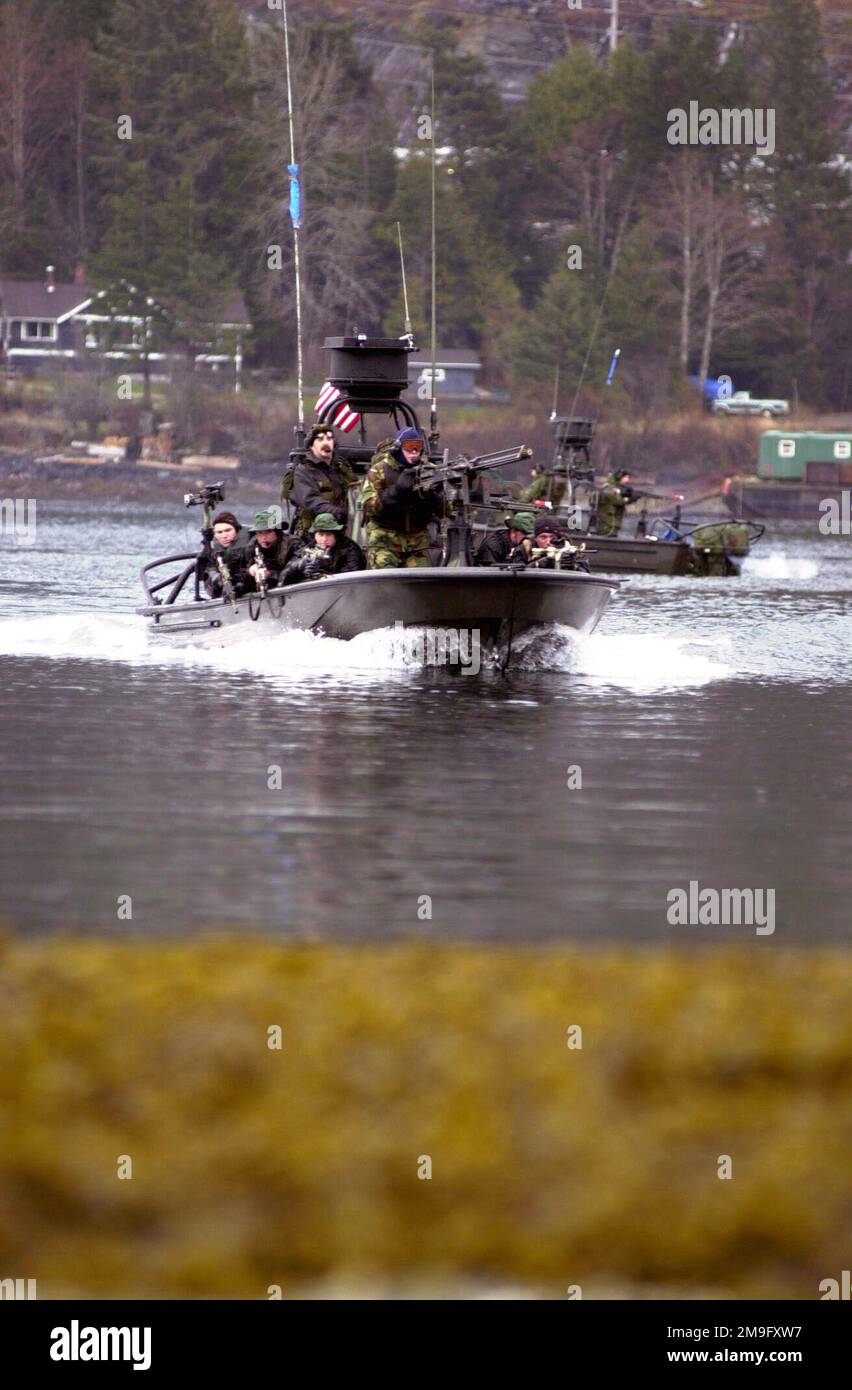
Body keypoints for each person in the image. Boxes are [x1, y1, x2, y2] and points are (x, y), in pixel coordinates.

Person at [359, 426, 443, 569]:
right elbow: (368, 507)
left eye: (418, 447)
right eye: (410, 447)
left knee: (421, 585)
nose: (414, 452)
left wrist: (435, 496)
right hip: (385, 539)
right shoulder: (379, 470)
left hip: (417, 541)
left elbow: (445, 511)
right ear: (398, 448)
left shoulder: (429, 470)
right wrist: (395, 491)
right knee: (385, 584)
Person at [287, 425, 358, 536]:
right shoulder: (304, 471)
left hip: (345, 529)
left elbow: (356, 492)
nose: (326, 442)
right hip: (315, 532)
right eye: (320, 439)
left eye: (329, 439)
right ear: (311, 446)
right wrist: (336, 512)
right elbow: (310, 500)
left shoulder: (342, 468)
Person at [279, 511, 366, 586]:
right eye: (321, 535)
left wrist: (322, 570)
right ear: (315, 535)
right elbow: (283, 581)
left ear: (336, 535)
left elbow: (350, 580)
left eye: (328, 535)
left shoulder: (350, 550)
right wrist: (298, 567)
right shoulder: (309, 548)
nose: (324, 539)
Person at [204, 510, 253, 598]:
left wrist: (240, 582)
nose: (224, 536)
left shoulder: (252, 545)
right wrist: (220, 581)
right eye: (219, 532)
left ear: (236, 530)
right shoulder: (215, 552)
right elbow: (210, 573)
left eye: (228, 530)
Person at [247, 508, 299, 591]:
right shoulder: (252, 547)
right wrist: (250, 572)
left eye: (268, 532)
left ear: (277, 532)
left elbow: (293, 574)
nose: (263, 537)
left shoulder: (292, 544)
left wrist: (270, 574)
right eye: (260, 533)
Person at [595, 469, 638, 536]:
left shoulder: (617, 488)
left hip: (613, 524)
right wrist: (629, 499)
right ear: (619, 477)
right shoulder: (608, 488)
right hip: (607, 525)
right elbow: (619, 501)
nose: (627, 480)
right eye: (626, 477)